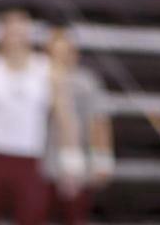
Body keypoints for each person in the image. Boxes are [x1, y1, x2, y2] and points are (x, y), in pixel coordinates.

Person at [0, 10, 80, 225]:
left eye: (20, 32)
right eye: (10, 32)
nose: (15, 38)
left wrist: (71, 161)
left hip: (31, 159)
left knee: (32, 217)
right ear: (2, 35)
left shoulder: (46, 69)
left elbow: (65, 118)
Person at [42, 28, 114, 225]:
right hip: (42, 164)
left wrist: (102, 158)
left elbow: (98, 121)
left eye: (66, 52)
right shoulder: (39, 79)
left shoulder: (86, 82)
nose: (62, 58)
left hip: (76, 162)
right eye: (56, 53)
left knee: (74, 216)